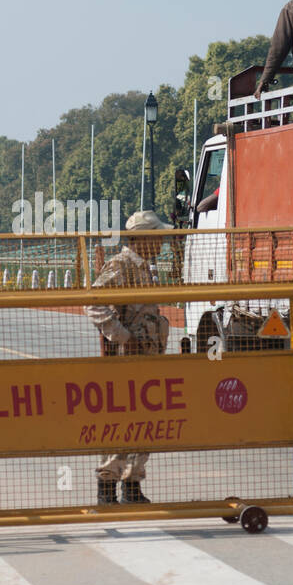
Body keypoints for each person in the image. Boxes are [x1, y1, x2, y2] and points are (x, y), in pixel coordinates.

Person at [85, 210, 171, 505]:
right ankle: (107, 486)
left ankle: (132, 485)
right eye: (157, 236)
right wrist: (125, 338)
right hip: (125, 361)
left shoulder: (145, 267)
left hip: (146, 360)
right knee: (121, 422)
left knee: (145, 422)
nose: (162, 242)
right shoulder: (121, 264)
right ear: (142, 238)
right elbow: (94, 304)